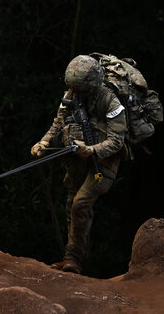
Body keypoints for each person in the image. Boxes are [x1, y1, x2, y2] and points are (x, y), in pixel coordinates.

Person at [31, 54, 127, 274]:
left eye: (81, 89)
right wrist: (43, 142)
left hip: (104, 162)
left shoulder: (110, 101)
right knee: (71, 203)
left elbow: (117, 141)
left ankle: (74, 258)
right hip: (78, 158)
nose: (77, 93)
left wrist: (91, 150)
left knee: (80, 204)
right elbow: (58, 123)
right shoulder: (71, 94)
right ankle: (71, 257)